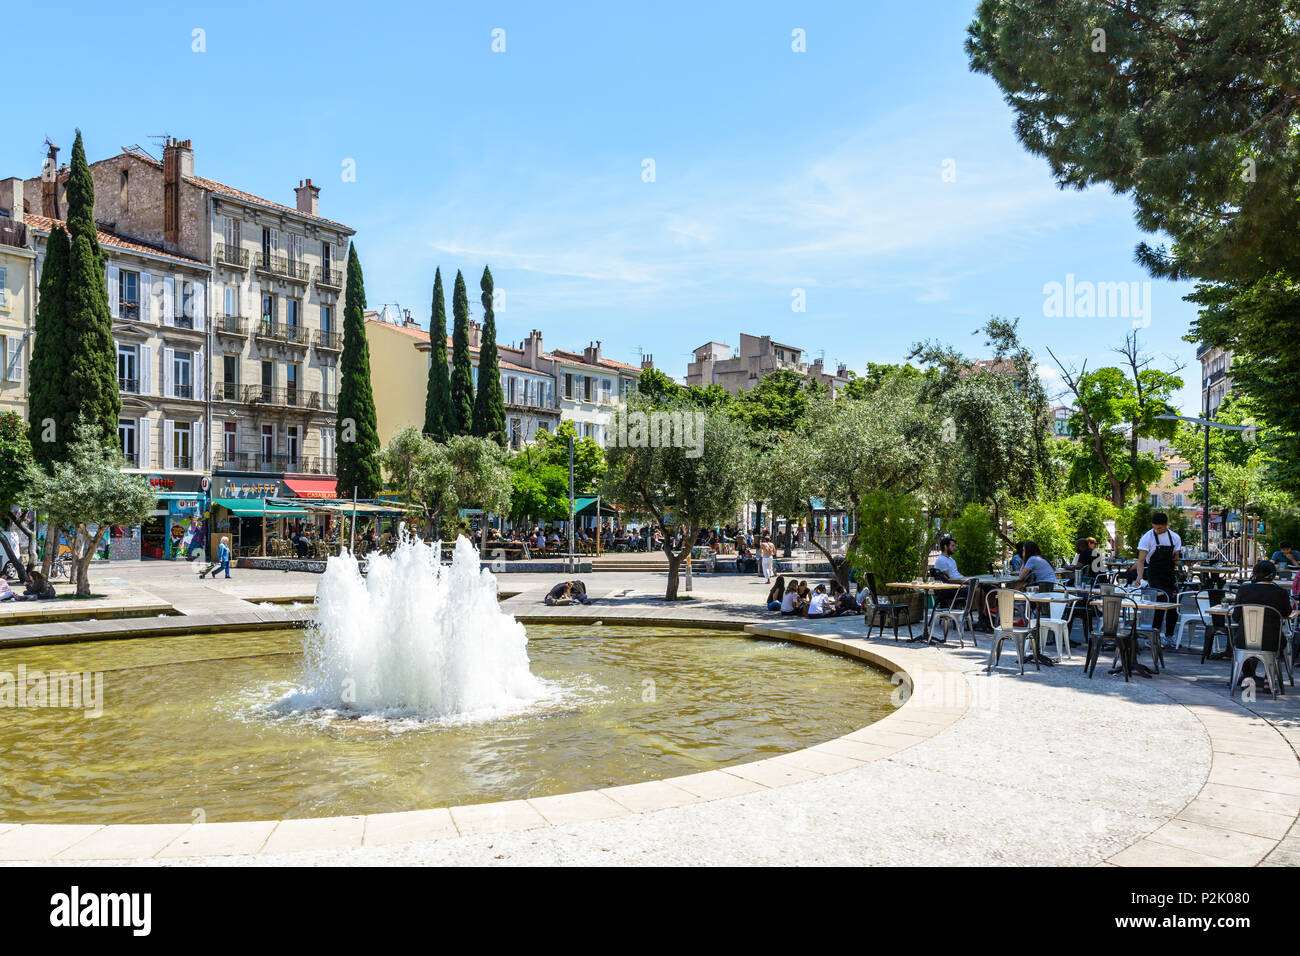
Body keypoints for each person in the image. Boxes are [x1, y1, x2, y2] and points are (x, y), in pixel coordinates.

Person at [1233, 560, 1294, 691]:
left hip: (1244, 641)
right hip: (1271, 641)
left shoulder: (1244, 590)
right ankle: (1268, 679)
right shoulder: (1281, 592)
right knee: (1282, 641)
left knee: (1238, 635)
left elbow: (1236, 616)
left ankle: (1248, 677)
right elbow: (1287, 613)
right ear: (1274, 575)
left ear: (1254, 574)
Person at [1130, 511, 1182, 645]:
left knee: (1174, 603)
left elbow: (1176, 559)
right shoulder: (1147, 538)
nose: (1157, 530)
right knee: (1159, 603)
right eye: (1154, 527)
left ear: (1166, 525)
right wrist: (1139, 577)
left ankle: (1169, 636)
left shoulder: (1174, 537)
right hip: (1154, 574)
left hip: (1169, 573)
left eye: (1159, 528)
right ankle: (1153, 636)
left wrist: (1183, 562)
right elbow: (1141, 561)